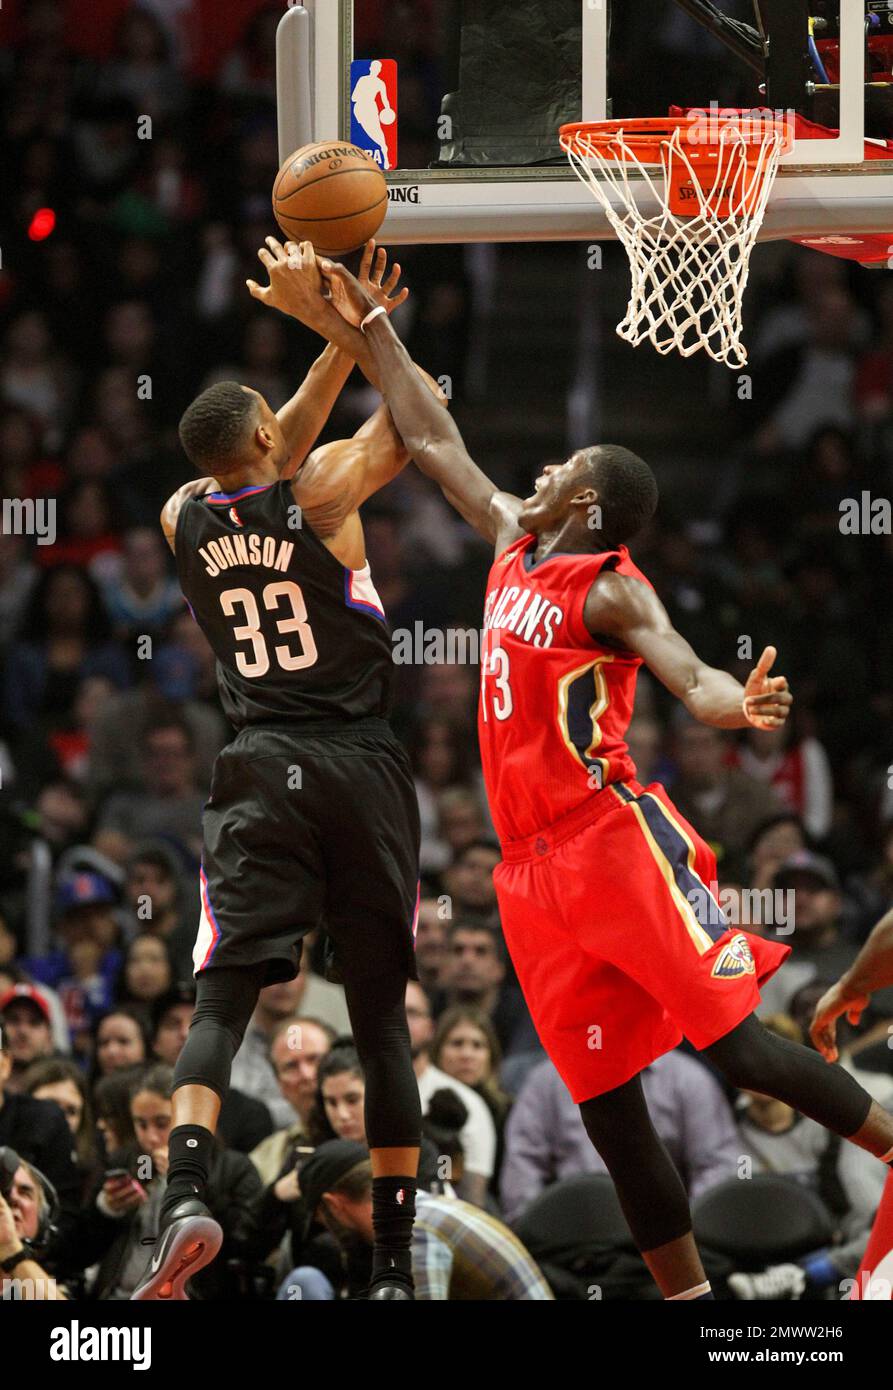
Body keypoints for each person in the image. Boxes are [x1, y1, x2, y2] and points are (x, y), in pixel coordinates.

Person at [316, 254, 893, 1302]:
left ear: (584, 496)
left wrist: (730, 702)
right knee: (602, 1099)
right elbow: (432, 435)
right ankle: (688, 1306)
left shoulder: (613, 591)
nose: (535, 469)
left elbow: (686, 667)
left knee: (738, 1050)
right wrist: (372, 334)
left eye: (557, 465)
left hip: (609, 837)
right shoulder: (509, 537)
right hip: (531, 874)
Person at [132, 239, 444, 1302]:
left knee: (217, 1002)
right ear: (270, 433)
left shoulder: (180, 516)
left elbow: (268, 453)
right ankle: (395, 1264)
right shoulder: (322, 495)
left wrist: (327, 343)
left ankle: (181, 1196)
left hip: (257, 766)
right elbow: (411, 426)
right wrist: (364, 327)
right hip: (355, 760)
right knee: (378, 1022)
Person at [283, 1141, 553, 1300]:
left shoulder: (415, 1232)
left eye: (322, 1219)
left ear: (334, 1204)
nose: (329, 1232)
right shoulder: (417, 1208)